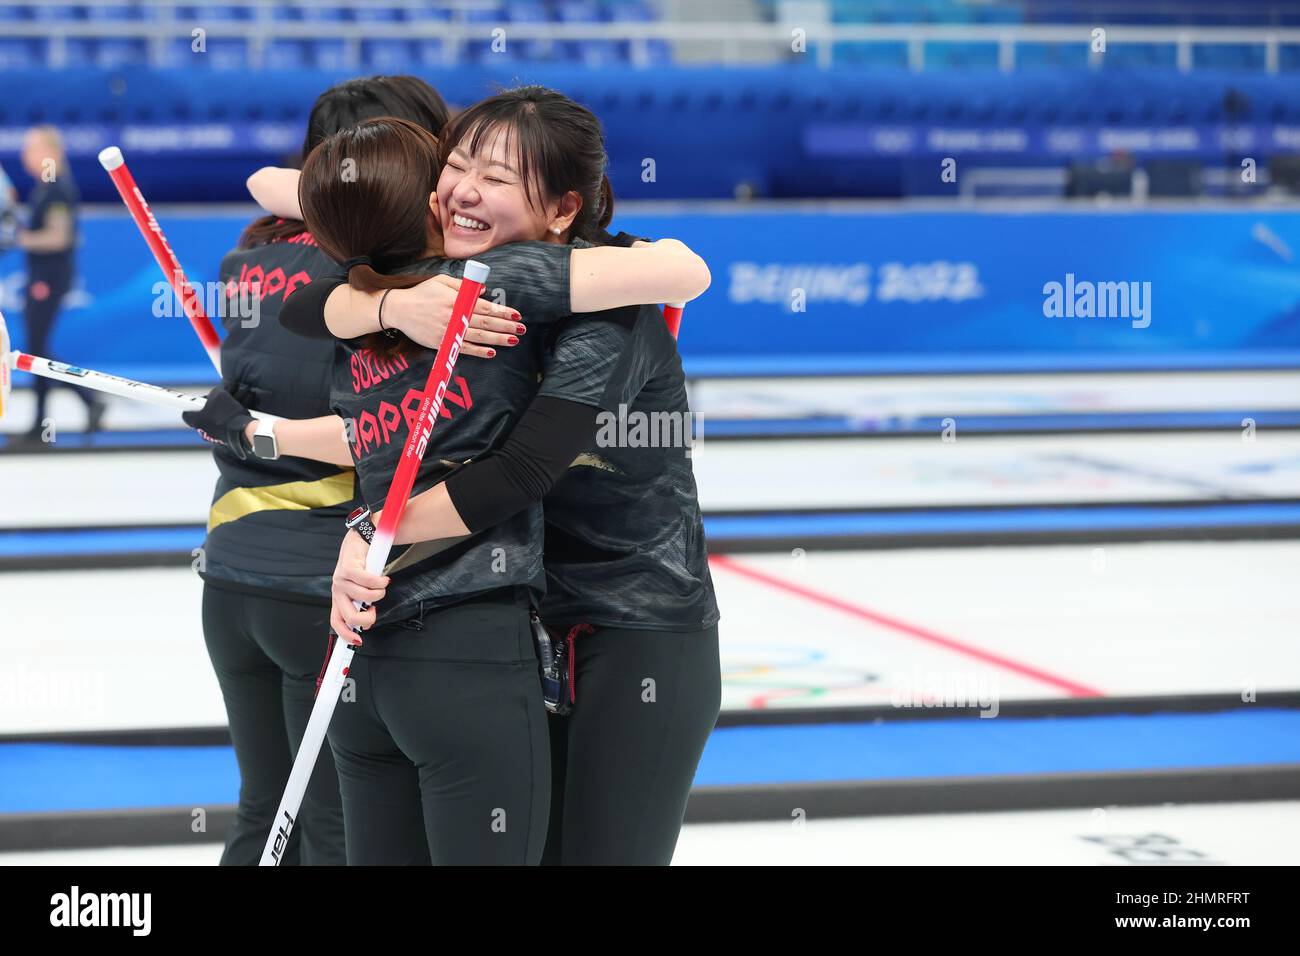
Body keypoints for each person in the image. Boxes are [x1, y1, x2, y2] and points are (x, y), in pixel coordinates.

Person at [189, 112, 710, 865]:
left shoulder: (572, 294)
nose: (463, 191)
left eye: (495, 178)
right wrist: (390, 306)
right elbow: (310, 297)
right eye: (455, 166)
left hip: (632, 624)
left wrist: (369, 534)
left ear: (563, 210)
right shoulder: (437, 284)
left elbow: (521, 470)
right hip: (516, 616)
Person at [184, 75, 454, 866]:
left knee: (268, 812)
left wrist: (258, 430)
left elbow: (256, 414)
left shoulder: (247, 259)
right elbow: (373, 430)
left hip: (233, 577)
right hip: (325, 589)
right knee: (338, 826)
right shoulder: (395, 280)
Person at [14, 125, 104, 445]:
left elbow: (58, 237)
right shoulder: (46, 187)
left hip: (49, 278)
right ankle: (85, 402)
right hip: (43, 275)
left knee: (36, 349)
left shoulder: (55, 189)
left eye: (31, 149)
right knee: (36, 348)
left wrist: (18, 237)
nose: (25, 156)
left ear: (49, 153)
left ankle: (47, 422)